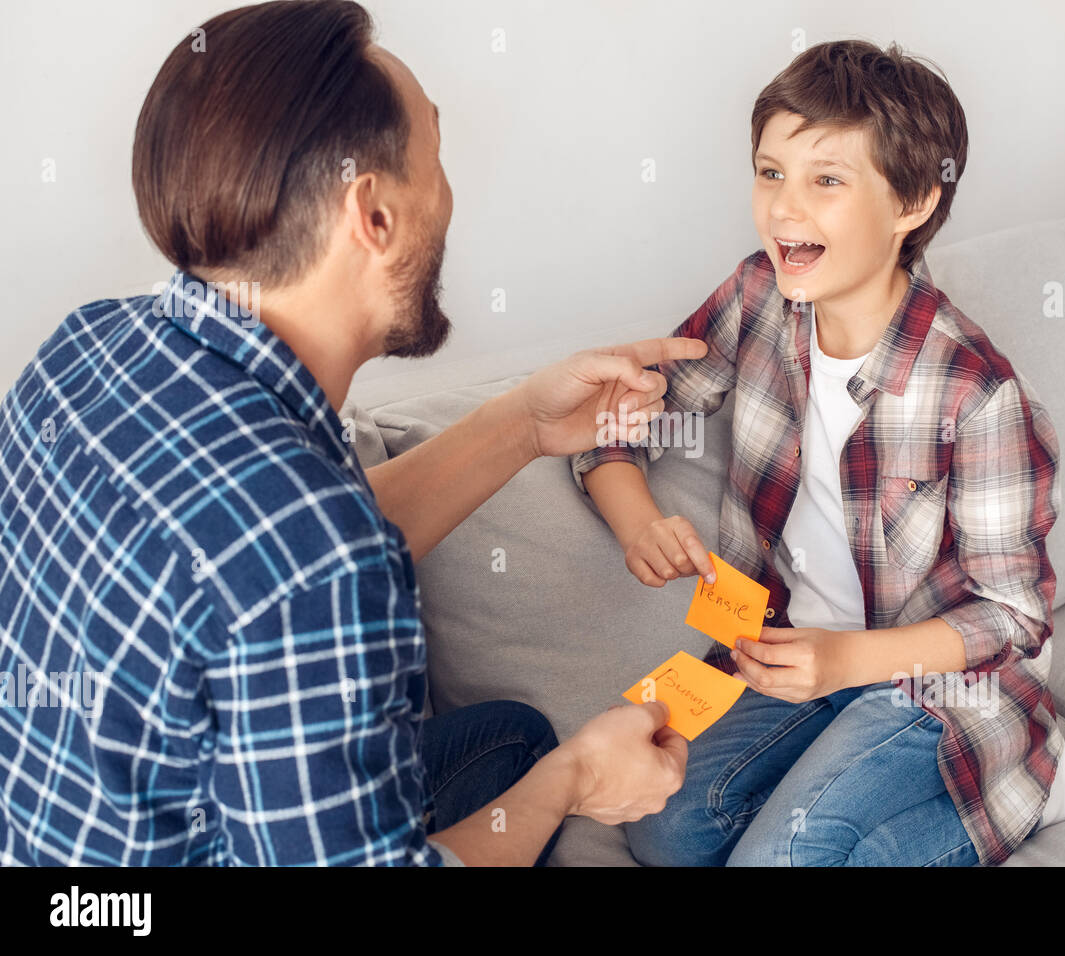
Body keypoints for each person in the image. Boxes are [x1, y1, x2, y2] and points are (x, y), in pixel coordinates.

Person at [0, 0, 698, 867]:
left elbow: (269, 557)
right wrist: (580, 780)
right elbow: (299, 561)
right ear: (372, 215)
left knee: (507, 739)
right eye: (435, 158)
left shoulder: (90, 346)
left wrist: (523, 422)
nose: (448, 196)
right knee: (539, 763)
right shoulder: (309, 553)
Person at [571, 40, 1064, 867]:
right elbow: (614, 420)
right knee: (661, 827)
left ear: (911, 200)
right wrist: (636, 518)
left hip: (928, 683)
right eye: (770, 174)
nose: (784, 208)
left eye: (826, 180)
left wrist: (848, 661)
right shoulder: (756, 297)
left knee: (784, 858)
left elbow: (1013, 616)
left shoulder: (976, 393)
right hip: (779, 647)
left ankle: (1028, 780)